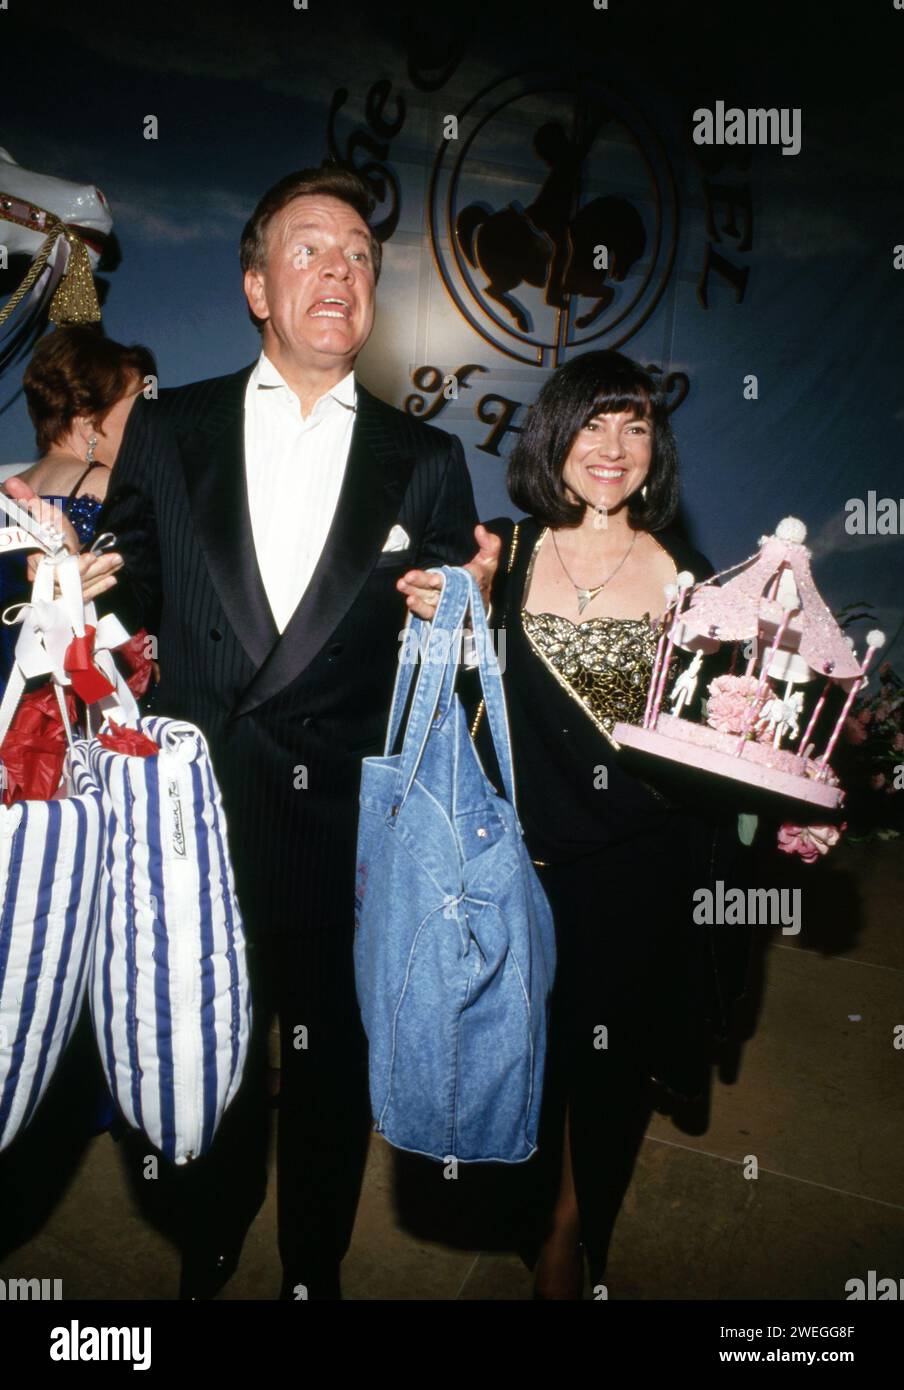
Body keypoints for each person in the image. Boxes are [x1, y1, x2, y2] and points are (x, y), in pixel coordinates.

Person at [11, 161, 498, 1301]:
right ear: (256, 288)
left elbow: (449, 669)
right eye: (309, 250)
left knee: (330, 1068)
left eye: (359, 257)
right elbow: (132, 586)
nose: (339, 270)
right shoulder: (170, 428)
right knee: (203, 1052)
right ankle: (210, 1238)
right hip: (197, 823)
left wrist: (462, 620)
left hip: (343, 836)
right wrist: (84, 593)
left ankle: (314, 1265)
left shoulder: (424, 460)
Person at [409, 350, 751, 1298]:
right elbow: (452, 701)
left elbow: (722, 741)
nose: (613, 446)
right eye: (593, 423)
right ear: (552, 436)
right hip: (516, 866)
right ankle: (523, 1207)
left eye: (635, 425)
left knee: (607, 1068)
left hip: (636, 874)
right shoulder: (502, 554)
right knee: (516, 1057)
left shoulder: (693, 580)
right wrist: (453, 615)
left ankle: (569, 1232)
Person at [0, 326, 155, 681]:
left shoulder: (8, 489)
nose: (148, 427)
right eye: (138, 410)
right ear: (88, 425)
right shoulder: (112, 485)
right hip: (81, 693)